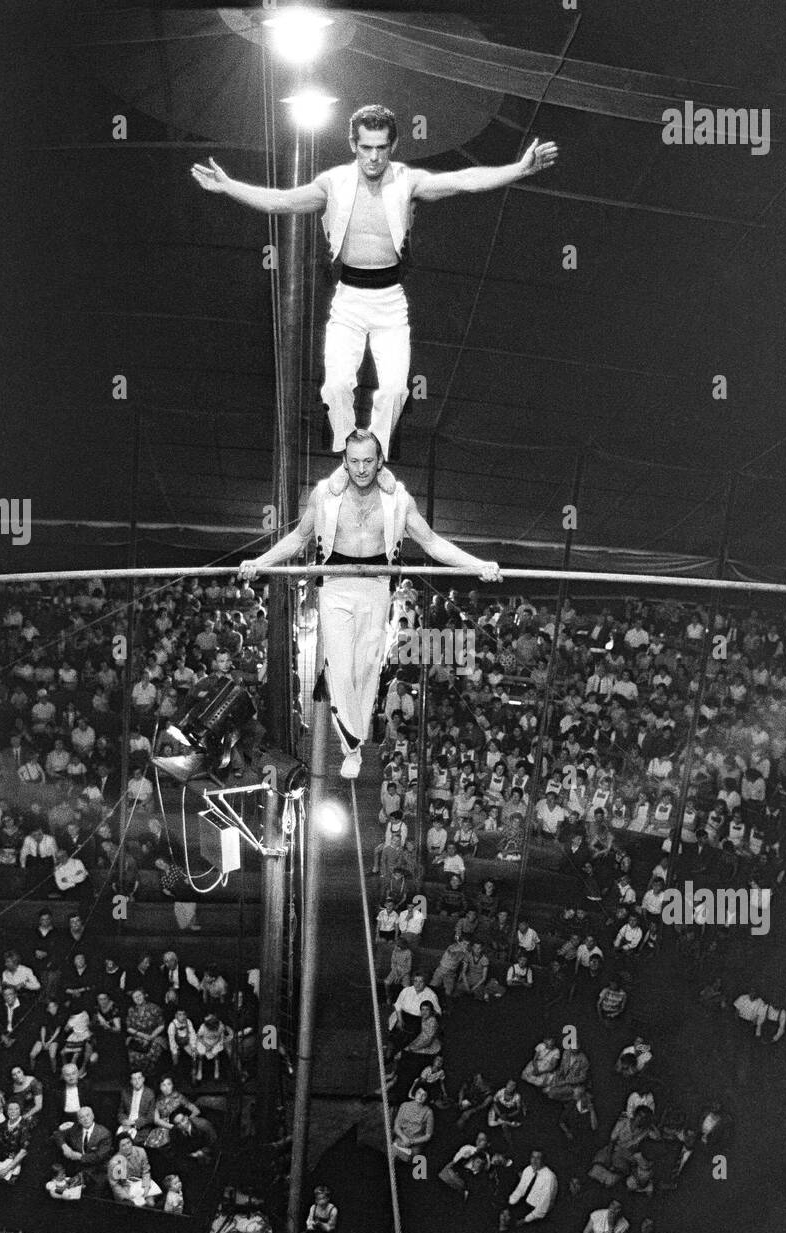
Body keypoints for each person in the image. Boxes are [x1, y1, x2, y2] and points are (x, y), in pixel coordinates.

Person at [193, 105, 557, 460]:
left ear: (393, 147)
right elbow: (279, 202)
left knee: (397, 390)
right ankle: (348, 454)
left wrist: (520, 169)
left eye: (381, 148)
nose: (373, 158)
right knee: (335, 386)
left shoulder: (408, 181)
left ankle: (376, 456)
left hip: (390, 302)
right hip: (348, 299)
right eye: (366, 148)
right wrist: (229, 186)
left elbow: (464, 181)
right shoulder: (332, 183)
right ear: (353, 145)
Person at [239, 432, 500, 779]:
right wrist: (261, 561)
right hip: (335, 586)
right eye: (355, 461)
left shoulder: (398, 501)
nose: (361, 469)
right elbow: (299, 538)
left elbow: (432, 542)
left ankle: (355, 741)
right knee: (342, 667)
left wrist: (477, 565)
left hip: (376, 588)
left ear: (379, 462)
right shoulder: (325, 496)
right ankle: (352, 745)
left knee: (368, 671)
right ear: (344, 461)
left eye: (368, 461)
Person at [502, 1149, 558, 1227]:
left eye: (538, 1158)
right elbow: (519, 1191)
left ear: (543, 1160)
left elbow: (543, 1208)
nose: (534, 1161)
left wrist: (524, 1220)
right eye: (532, 1157)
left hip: (535, 1215)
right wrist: (508, 1206)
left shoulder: (550, 1178)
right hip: (521, 1206)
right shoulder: (528, 1170)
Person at [0, 1101, 31, 1182]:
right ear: (7, 1111)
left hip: (13, 1163)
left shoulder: (25, 1127)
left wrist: (6, 1169)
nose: (13, 1111)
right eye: (10, 1109)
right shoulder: (3, 1125)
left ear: (20, 1111)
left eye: (16, 1109)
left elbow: (23, 1152)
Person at [392, 1086, 434, 1161]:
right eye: (419, 1093)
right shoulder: (404, 1105)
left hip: (415, 1143)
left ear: (426, 1098)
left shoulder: (429, 1112)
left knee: (404, 1158)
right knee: (391, 1154)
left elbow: (428, 1135)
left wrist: (411, 1141)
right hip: (401, 1138)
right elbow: (396, 1126)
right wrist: (403, 1137)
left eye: (424, 1095)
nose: (420, 1097)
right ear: (415, 1093)